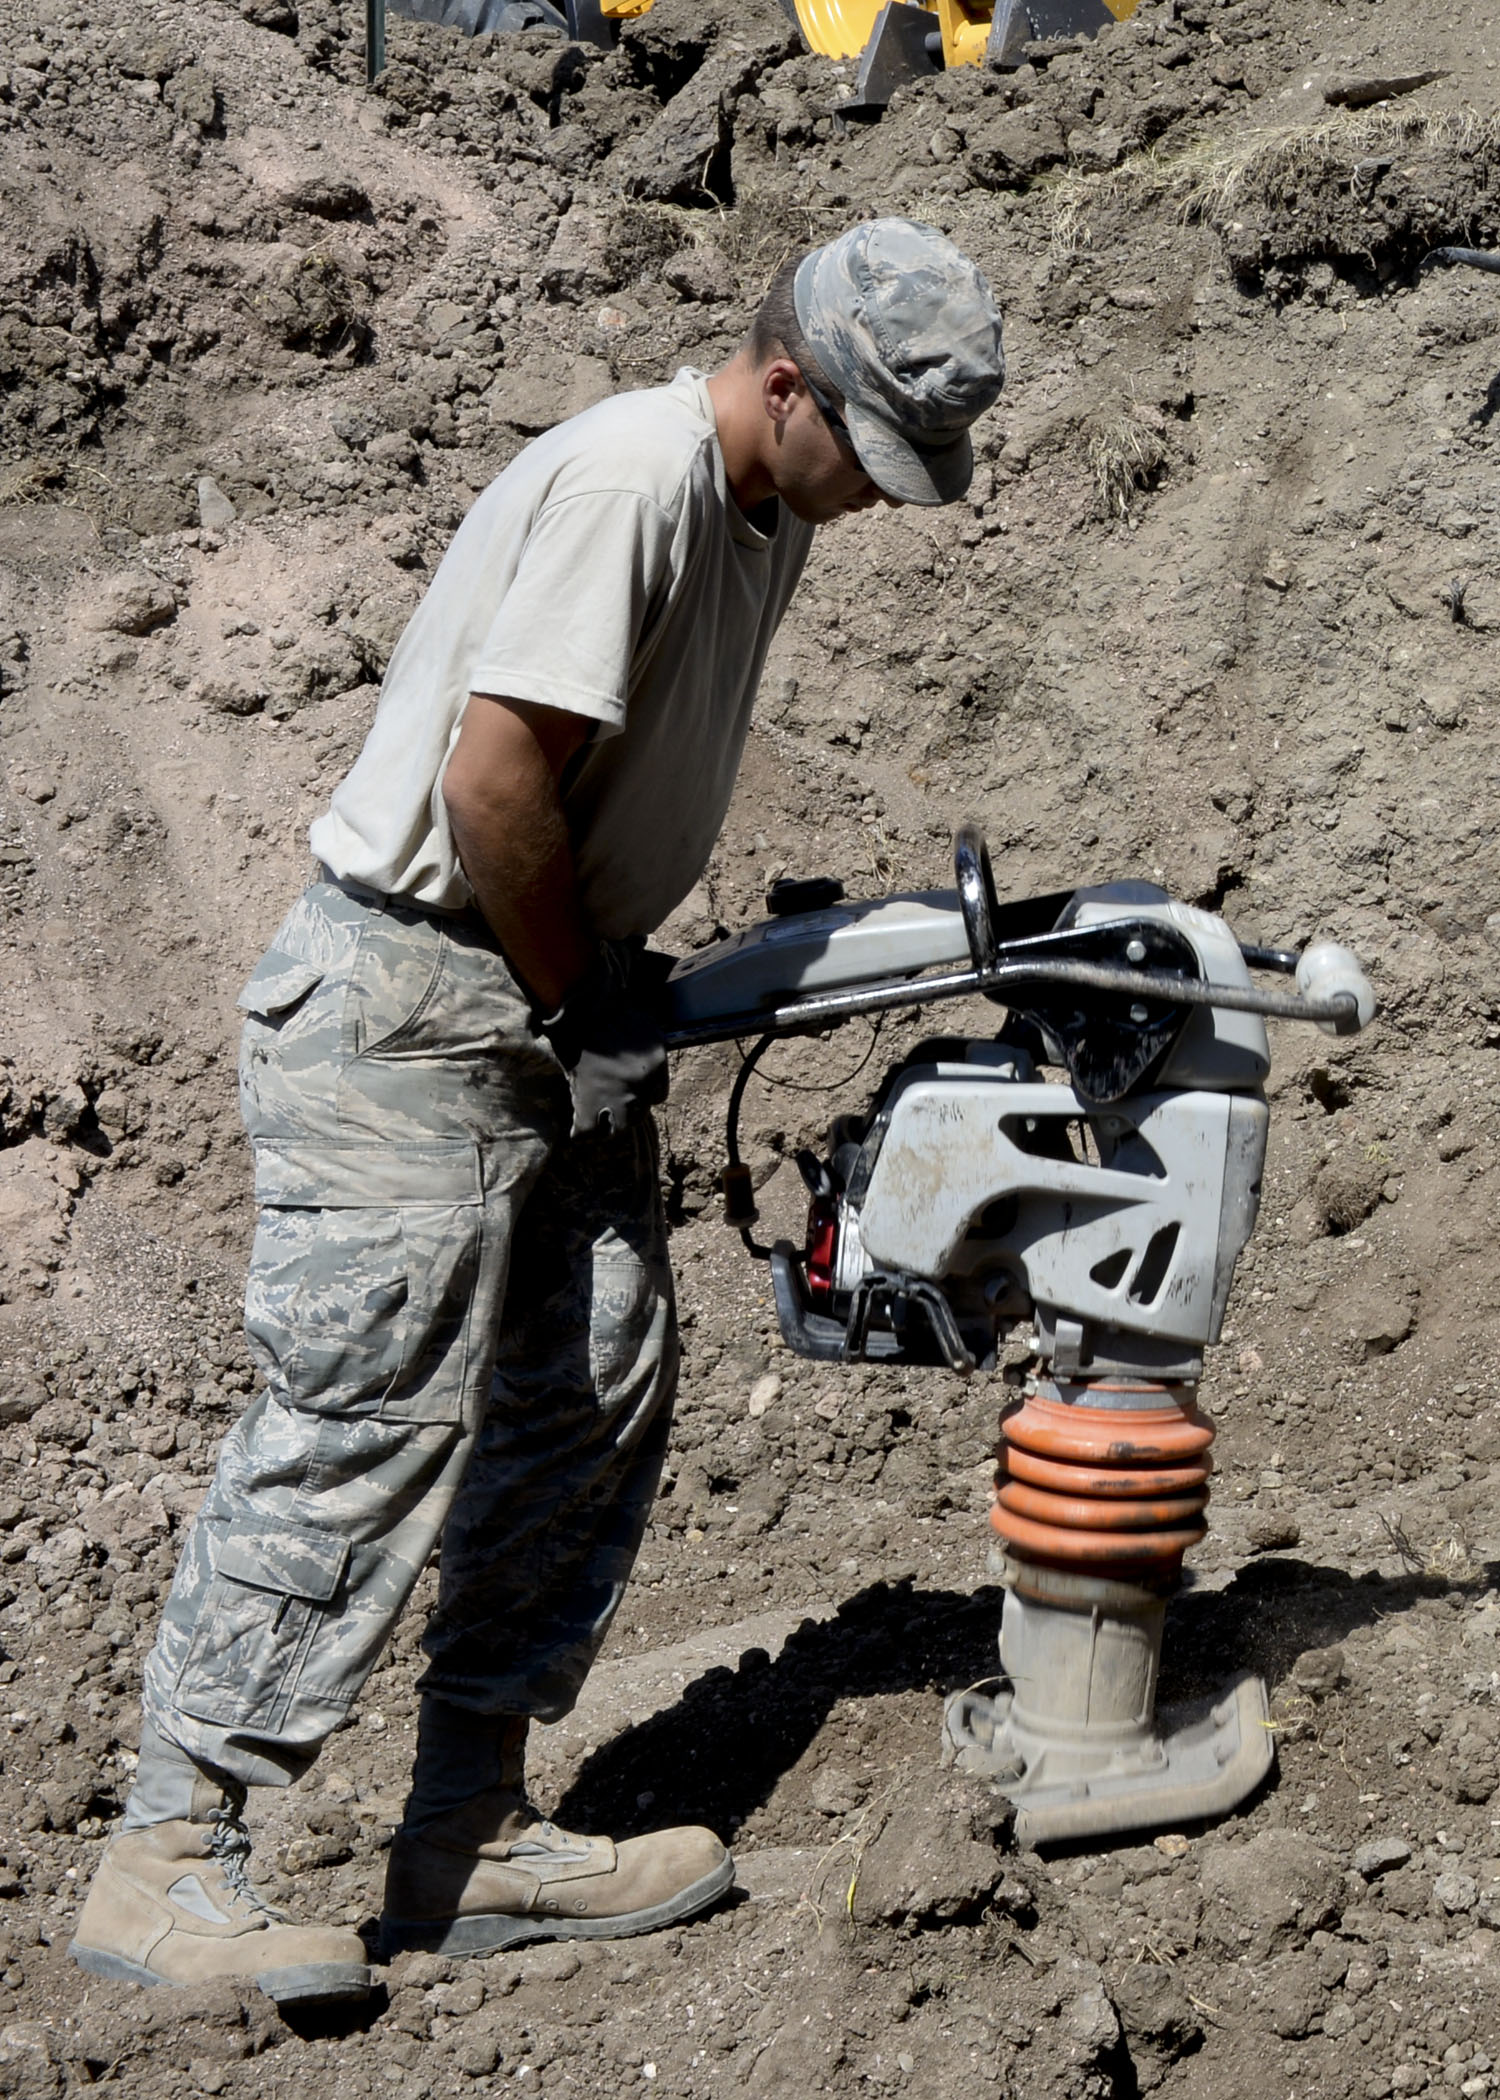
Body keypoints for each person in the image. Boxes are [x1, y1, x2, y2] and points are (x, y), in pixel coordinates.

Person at [69, 217, 1007, 2005]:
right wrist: (581, 1005)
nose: (880, 497)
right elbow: (491, 780)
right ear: (787, 384)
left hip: (550, 982)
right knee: (361, 1418)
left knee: (594, 1377)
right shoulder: (635, 480)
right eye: (873, 449)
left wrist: (605, 994)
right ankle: (164, 1862)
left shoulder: (766, 505)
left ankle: (470, 1834)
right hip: (417, 999)